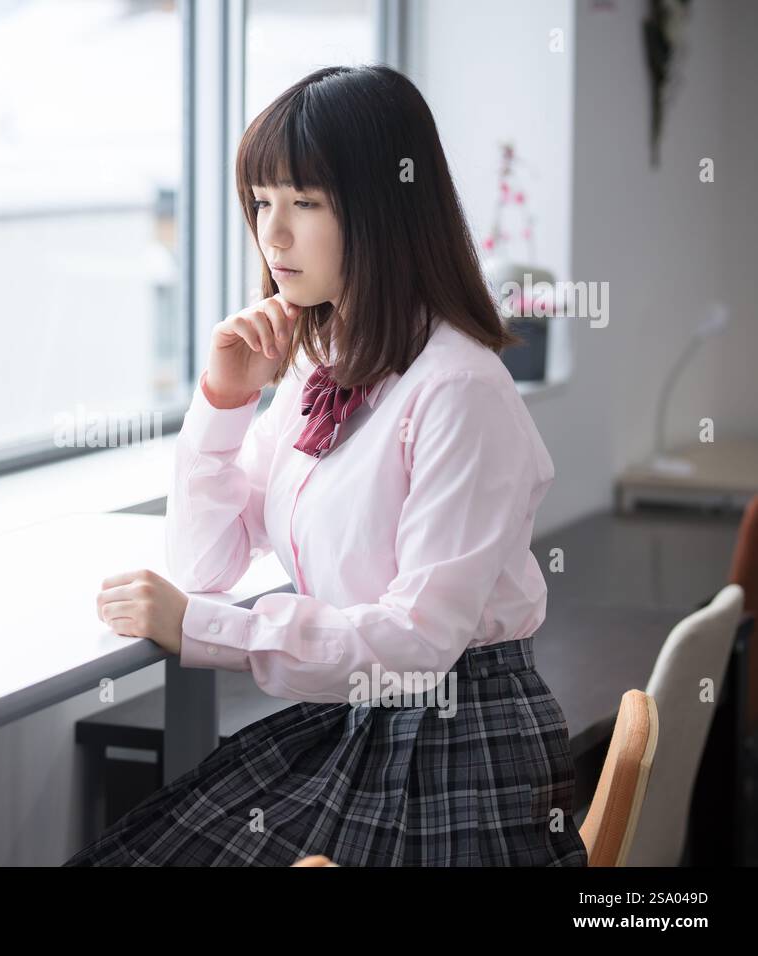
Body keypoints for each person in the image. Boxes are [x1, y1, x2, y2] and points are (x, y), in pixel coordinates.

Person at [63, 64, 588, 867]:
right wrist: (225, 400)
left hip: (456, 740)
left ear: (384, 208)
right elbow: (205, 564)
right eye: (262, 201)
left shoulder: (459, 387)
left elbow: (418, 641)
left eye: (305, 203)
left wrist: (200, 629)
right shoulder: (323, 367)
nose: (273, 236)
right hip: (363, 716)